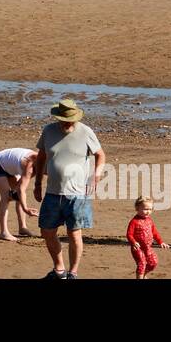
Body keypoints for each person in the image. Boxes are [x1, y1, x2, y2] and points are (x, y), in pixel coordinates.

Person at [35, 99, 105, 279]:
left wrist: (95, 176)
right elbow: (41, 158)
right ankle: (59, 269)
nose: (68, 122)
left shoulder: (86, 132)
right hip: (52, 193)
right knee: (46, 231)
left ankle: (73, 273)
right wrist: (37, 184)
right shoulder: (48, 131)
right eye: (64, 119)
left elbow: (100, 155)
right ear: (58, 118)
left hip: (77, 194)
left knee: (74, 233)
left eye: (71, 119)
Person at [0, 148, 40, 241]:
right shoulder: (31, 167)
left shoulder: (42, 163)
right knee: (6, 197)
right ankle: (4, 232)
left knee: (17, 195)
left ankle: (22, 228)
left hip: (10, 166)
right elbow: (21, 189)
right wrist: (26, 209)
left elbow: (19, 189)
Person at [127, 196, 169, 279]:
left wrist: (160, 242)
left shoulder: (149, 220)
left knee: (153, 262)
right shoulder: (134, 221)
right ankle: (140, 277)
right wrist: (133, 242)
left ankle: (143, 275)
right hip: (138, 248)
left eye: (150, 209)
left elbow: (154, 232)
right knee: (142, 263)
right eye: (145, 209)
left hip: (147, 247)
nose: (148, 212)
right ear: (137, 208)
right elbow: (129, 234)